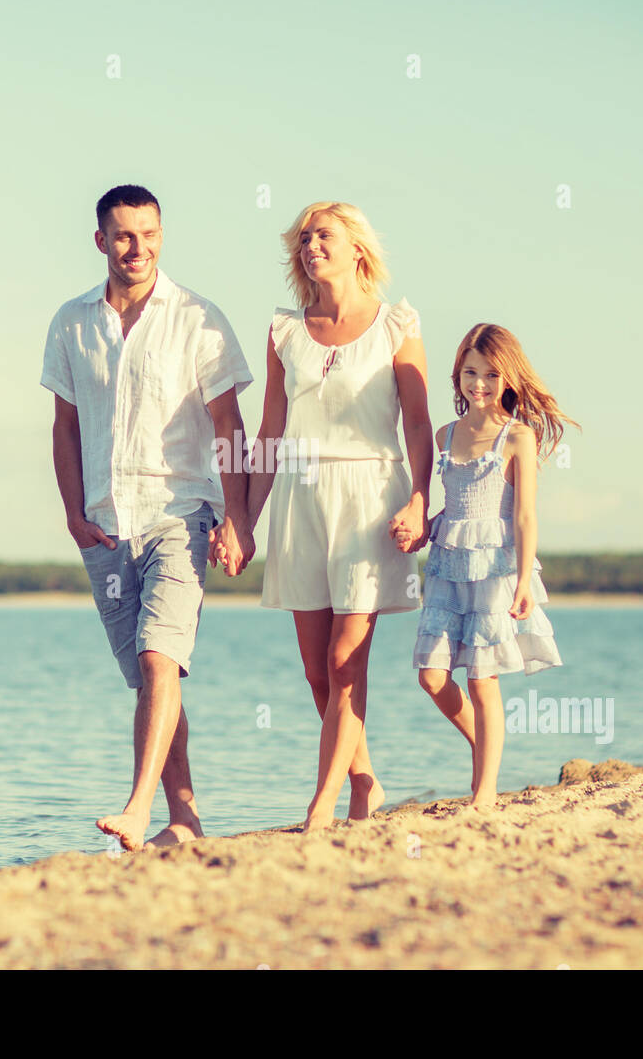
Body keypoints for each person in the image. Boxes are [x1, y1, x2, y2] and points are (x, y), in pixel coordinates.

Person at [40, 184, 254, 852]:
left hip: (179, 515)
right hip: (106, 527)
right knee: (150, 677)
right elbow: (64, 427)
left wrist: (237, 517)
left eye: (151, 233)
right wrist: (75, 516)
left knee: (162, 659)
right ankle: (184, 817)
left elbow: (229, 426)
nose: (139, 248)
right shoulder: (72, 323)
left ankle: (137, 809)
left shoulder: (198, 318)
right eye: (125, 236)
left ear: (164, 233)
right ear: (101, 240)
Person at [243, 201, 432, 833]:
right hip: (301, 499)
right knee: (315, 666)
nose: (310, 246)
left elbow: (417, 422)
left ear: (357, 249)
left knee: (348, 659)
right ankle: (364, 780)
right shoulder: (284, 332)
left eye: (324, 235)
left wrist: (420, 500)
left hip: (370, 497)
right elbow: (269, 433)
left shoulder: (395, 325)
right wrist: (242, 518)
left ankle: (320, 806)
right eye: (302, 239)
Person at [412, 323, 578, 811]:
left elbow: (524, 514)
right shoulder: (445, 435)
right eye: (469, 372)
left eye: (489, 373)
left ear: (507, 377)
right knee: (432, 675)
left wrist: (524, 581)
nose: (478, 383)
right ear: (458, 374)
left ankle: (483, 793)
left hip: (496, 570)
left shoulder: (517, 436)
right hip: (447, 566)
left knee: (482, 679)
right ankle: (483, 744)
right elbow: (449, 504)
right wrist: (420, 526)